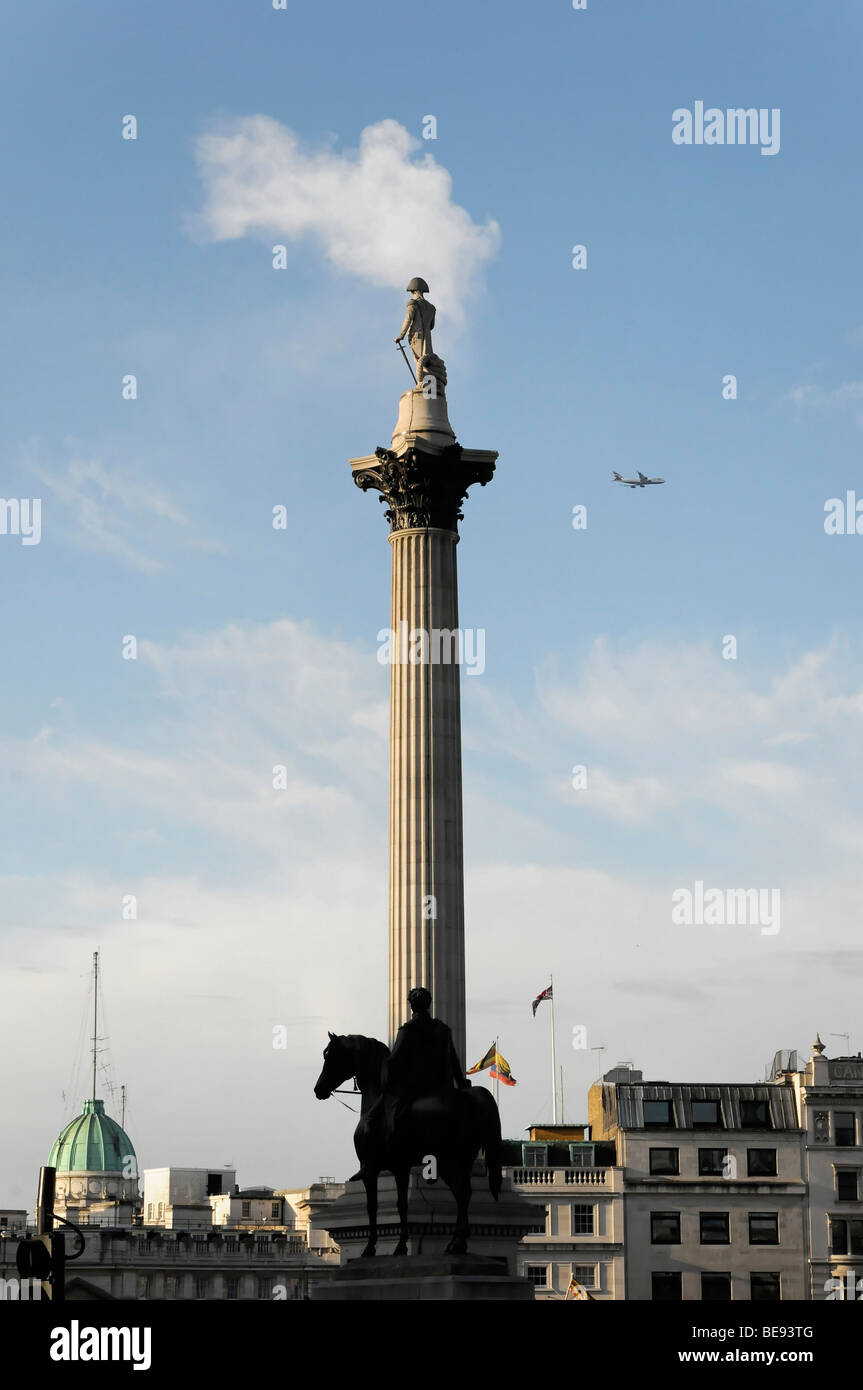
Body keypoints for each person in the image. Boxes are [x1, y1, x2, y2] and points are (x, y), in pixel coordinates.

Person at [383, 987, 470, 1150]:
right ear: (429, 1004)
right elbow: (454, 1061)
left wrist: (385, 1080)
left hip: (415, 1091)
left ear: (411, 1006)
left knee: (393, 1116)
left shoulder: (407, 1030)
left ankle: (394, 1152)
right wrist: (462, 1082)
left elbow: (393, 1062)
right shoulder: (443, 1029)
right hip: (442, 1088)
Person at [394, 277, 436, 384]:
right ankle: (429, 387)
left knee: (420, 363)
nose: (412, 295)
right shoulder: (431, 308)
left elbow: (408, 319)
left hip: (416, 338)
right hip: (428, 338)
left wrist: (401, 335)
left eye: (412, 292)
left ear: (415, 291)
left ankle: (423, 386)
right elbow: (432, 326)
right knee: (428, 363)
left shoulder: (413, 303)